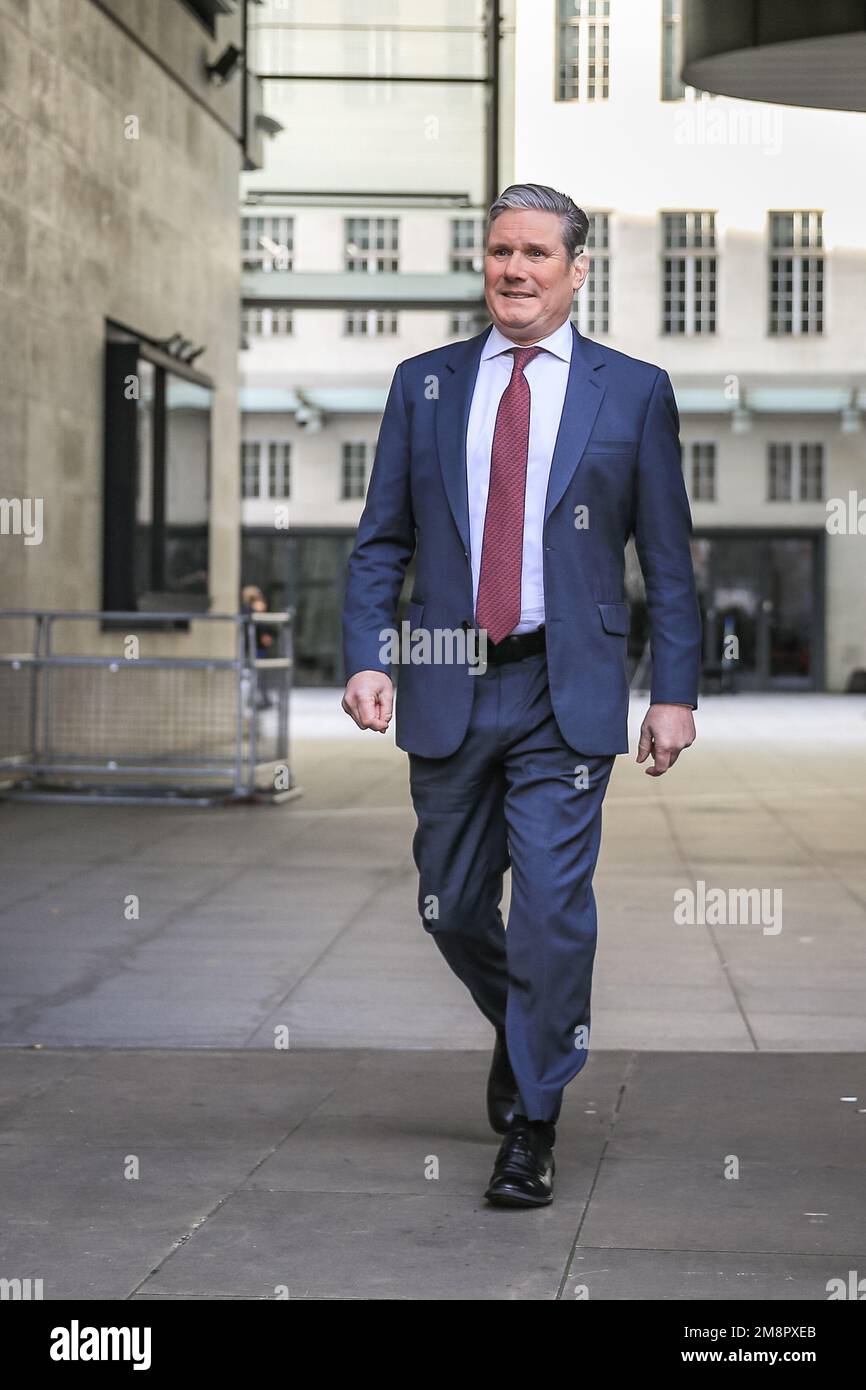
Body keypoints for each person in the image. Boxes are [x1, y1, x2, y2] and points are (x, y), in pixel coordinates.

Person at [340, 183, 702, 1208]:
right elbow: (381, 540)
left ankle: (532, 1121)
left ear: (574, 269)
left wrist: (671, 691)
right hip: (447, 677)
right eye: (500, 250)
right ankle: (524, 1022)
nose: (515, 268)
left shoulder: (628, 390)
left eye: (537, 252)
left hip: (565, 686)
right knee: (449, 905)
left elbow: (666, 558)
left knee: (549, 909)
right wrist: (367, 655)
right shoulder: (425, 384)